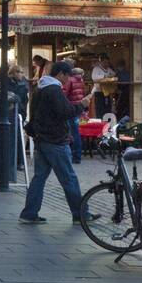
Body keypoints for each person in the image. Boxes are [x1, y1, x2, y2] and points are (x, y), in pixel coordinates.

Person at [19, 60, 93, 225]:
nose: (68, 80)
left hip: (41, 138)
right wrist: (82, 105)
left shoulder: (40, 88)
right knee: (69, 178)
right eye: (67, 76)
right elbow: (65, 112)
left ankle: (29, 213)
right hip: (55, 140)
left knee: (39, 178)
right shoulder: (54, 90)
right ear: (61, 74)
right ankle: (80, 214)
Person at [63, 66, 89, 161]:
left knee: (70, 131)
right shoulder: (81, 81)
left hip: (71, 108)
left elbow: (65, 93)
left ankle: (72, 154)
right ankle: (77, 155)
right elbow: (83, 93)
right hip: (78, 108)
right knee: (76, 131)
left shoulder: (69, 80)